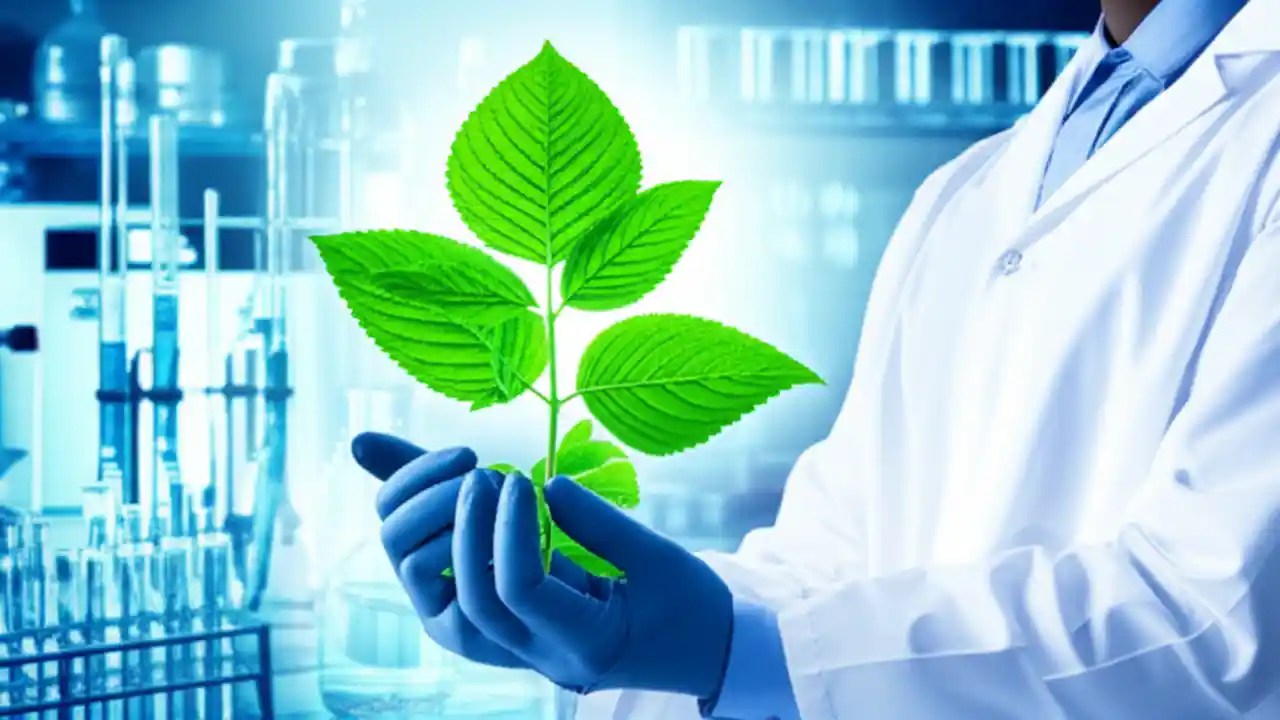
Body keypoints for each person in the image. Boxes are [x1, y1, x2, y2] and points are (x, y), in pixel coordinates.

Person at [353, 0, 1280, 716]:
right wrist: (586, 617)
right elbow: (835, 564)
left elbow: (1215, 621)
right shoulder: (971, 188)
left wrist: (725, 646)